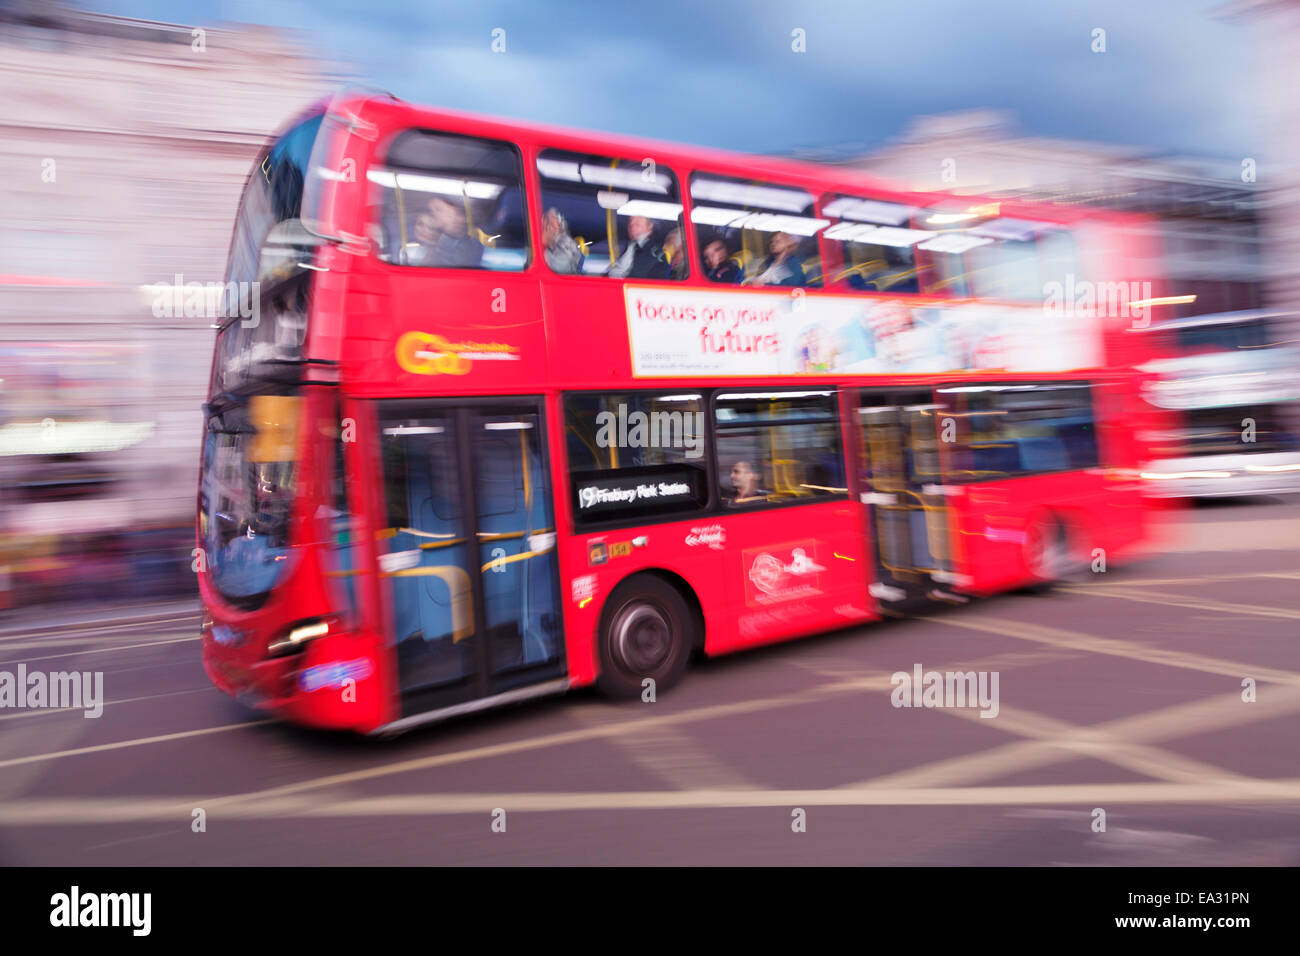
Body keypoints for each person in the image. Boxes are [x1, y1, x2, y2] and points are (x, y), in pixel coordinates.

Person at [410, 196, 482, 268]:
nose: (435, 215)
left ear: (454, 211)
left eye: (438, 210)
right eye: (420, 224)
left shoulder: (469, 247)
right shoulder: (410, 249)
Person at [543, 207, 584, 274]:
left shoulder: (567, 244)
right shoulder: (551, 245)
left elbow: (562, 266)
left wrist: (539, 251)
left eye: (550, 224)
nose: (546, 228)